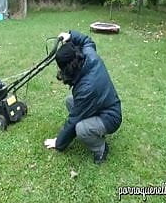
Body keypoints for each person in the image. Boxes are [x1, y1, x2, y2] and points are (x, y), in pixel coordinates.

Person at [44, 30, 122, 164]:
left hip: (111, 117)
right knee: (70, 101)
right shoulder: (88, 55)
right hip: (101, 104)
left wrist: (59, 142)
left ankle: (101, 148)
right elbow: (87, 41)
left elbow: (74, 120)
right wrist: (71, 35)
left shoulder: (86, 88)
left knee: (80, 128)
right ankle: (94, 127)